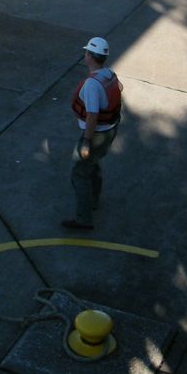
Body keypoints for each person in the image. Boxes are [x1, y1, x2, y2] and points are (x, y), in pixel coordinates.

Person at [62, 36, 123, 230]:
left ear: (90, 56)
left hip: (96, 136)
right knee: (93, 165)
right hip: (110, 130)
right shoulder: (109, 74)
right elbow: (119, 88)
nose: (85, 54)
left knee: (79, 173)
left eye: (86, 52)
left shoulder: (92, 85)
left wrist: (86, 141)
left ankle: (84, 219)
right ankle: (94, 200)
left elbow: (92, 116)